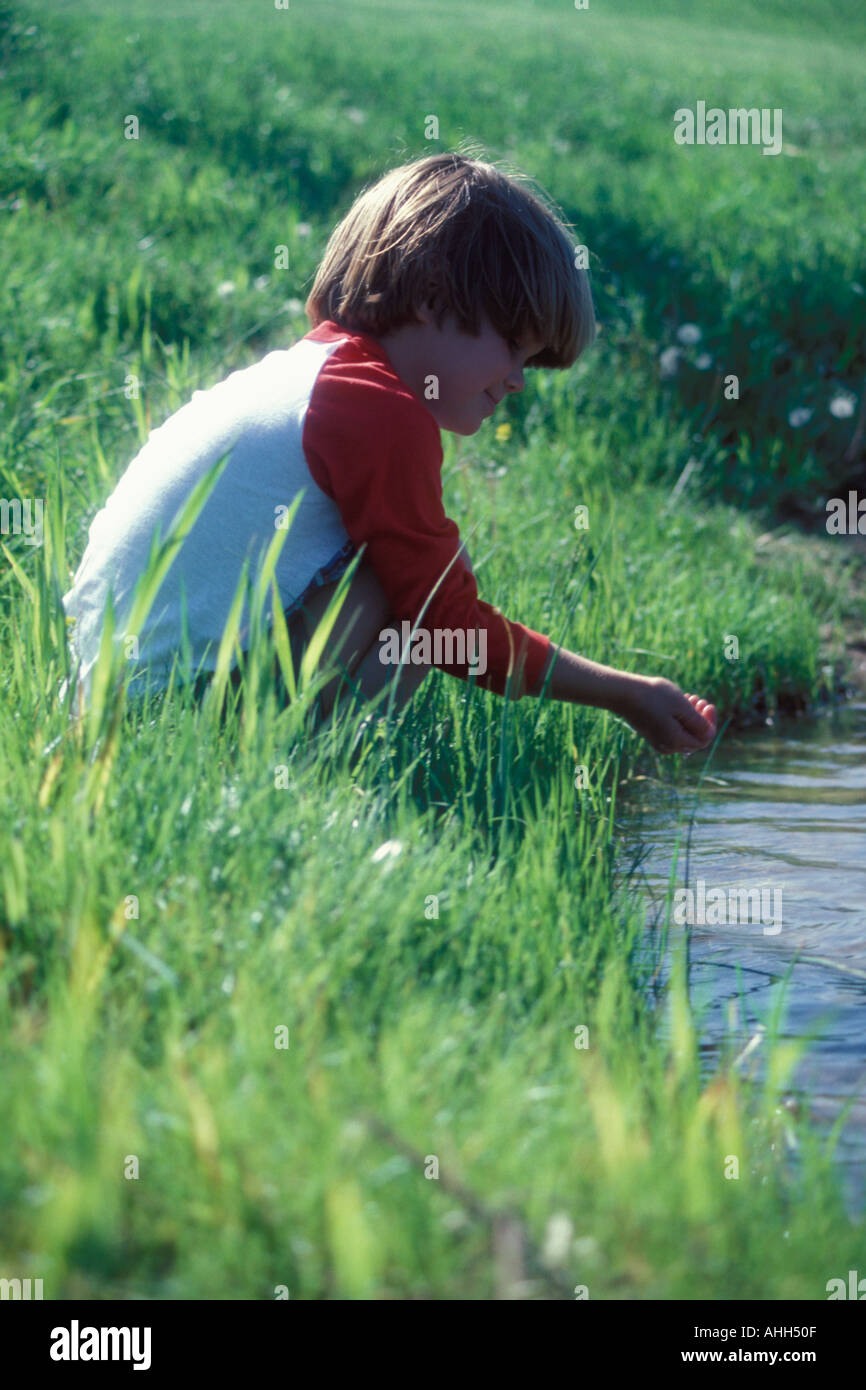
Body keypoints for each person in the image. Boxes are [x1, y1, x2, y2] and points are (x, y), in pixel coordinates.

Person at [61, 150, 715, 753]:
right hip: (183, 718)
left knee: (409, 579)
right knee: (415, 594)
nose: (517, 379)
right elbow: (447, 623)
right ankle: (301, 773)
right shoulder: (378, 410)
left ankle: (279, 762)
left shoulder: (306, 374)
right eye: (514, 345)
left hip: (113, 708)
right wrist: (625, 694)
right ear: (433, 297)